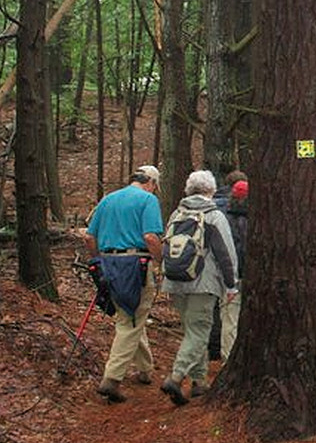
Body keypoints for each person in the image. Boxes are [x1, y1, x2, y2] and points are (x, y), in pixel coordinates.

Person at [85, 165, 164, 404]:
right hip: (136, 265)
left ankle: (145, 370)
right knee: (131, 321)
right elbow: (151, 237)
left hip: (108, 264)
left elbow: (89, 236)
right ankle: (112, 378)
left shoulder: (108, 200)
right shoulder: (148, 200)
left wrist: (98, 259)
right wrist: (160, 261)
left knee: (128, 315)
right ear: (150, 182)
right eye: (155, 186)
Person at [160, 170, 238, 405]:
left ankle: (199, 382)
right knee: (199, 330)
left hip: (174, 280)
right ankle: (176, 376)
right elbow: (226, 254)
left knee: (192, 330)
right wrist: (231, 284)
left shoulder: (177, 213)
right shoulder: (214, 216)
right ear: (211, 190)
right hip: (202, 282)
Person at [208, 169, 247, 361]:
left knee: (215, 309)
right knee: (231, 314)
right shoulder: (243, 210)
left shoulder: (211, 207)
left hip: (213, 269)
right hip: (236, 269)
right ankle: (229, 357)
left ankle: (213, 348)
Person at [219, 179, 248, 360]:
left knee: (229, 317)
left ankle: (228, 357)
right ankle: (231, 358)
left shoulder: (223, 218)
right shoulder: (259, 220)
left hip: (228, 273)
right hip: (243, 274)